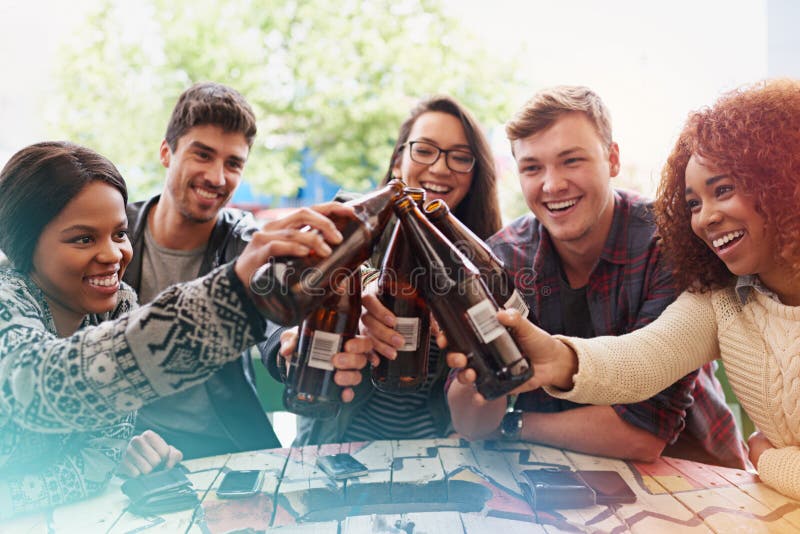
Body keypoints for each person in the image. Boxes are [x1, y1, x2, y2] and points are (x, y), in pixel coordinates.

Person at [446, 79, 800, 499]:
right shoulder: (723, 298)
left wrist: (769, 457)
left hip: (703, 484)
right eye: (693, 203)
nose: (705, 219)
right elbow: (644, 357)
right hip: (574, 486)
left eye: (723, 190)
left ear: (782, 182)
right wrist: (557, 359)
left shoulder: (665, 246)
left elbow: (643, 433)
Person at [0, 141, 348, 518]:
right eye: (83, 238)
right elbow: (41, 382)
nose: (113, 255)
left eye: (118, 234)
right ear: (23, 245)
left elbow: (99, 459)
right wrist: (232, 295)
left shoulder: (119, 307)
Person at [122, 82, 358, 460]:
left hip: (225, 448)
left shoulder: (247, 243)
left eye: (233, 163)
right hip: (132, 447)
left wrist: (290, 346)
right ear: (167, 152)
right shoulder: (118, 236)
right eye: (203, 155)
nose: (217, 177)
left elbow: (276, 320)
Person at [266, 95, 503, 444]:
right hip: (338, 449)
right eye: (425, 150)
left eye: (460, 157)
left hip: (436, 455)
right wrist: (285, 343)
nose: (440, 168)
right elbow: (276, 294)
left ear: (474, 175)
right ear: (397, 163)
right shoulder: (349, 222)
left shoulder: (477, 258)